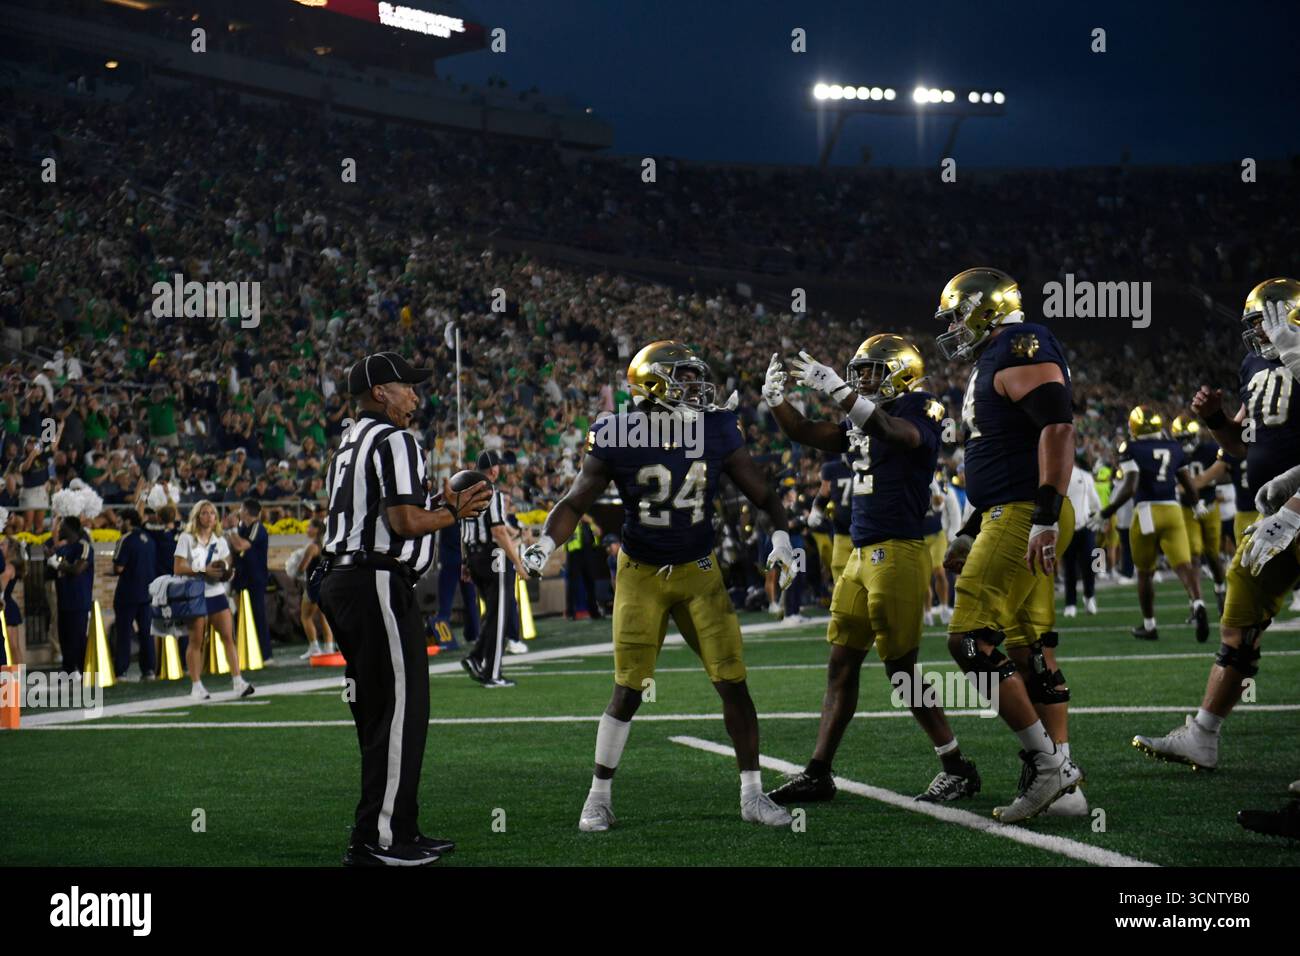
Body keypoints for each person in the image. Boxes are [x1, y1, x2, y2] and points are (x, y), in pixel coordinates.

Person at [522, 340, 799, 832]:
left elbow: (761, 492)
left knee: (732, 681)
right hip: (640, 574)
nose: (696, 387)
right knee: (628, 689)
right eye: (684, 378)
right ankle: (598, 797)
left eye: (695, 377)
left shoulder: (715, 427)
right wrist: (546, 544)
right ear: (654, 385)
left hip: (700, 571)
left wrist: (779, 534)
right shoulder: (617, 431)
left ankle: (752, 794)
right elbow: (575, 501)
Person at [761, 335, 980, 804]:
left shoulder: (925, 406)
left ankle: (956, 765)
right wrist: (777, 403)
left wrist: (843, 392)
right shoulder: (863, 412)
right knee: (841, 663)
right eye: (857, 372)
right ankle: (819, 772)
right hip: (859, 554)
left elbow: (895, 433)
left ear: (900, 371)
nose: (862, 379)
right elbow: (808, 432)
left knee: (900, 669)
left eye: (872, 371)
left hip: (899, 549)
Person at [318, 351, 491, 867]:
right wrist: (452, 511)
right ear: (379, 393)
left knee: (381, 713)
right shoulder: (394, 439)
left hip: (345, 579)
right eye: (405, 387)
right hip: (373, 581)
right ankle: (379, 840)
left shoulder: (349, 441)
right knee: (400, 713)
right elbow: (404, 522)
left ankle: (399, 827)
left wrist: (433, 510)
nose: (415, 396)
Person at [934, 267, 1084, 823]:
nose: (951, 327)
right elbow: (1008, 452)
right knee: (1027, 646)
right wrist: (972, 527)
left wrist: (1044, 513)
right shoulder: (995, 356)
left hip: (1024, 511)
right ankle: (1066, 787)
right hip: (1009, 509)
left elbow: (1057, 426)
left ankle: (1048, 767)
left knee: (969, 641)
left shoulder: (1022, 344)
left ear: (983, 310)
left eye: (955, 314)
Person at [1133, 278, 1300, 771]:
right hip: (1271, 514)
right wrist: (1215, 420)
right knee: (1239, 624)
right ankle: (1203, 735)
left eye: (1265, 322)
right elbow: (1242, 448)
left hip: (1293, 510)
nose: (1256, 333)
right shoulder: (1254, 366)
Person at [1094, 407, 1208, 641]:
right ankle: (1197, 603)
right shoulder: (1174, 447)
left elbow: (1130, 486)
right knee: (1184, 565)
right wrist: (1196, 505)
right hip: (1173, 510)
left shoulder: (1131, 447)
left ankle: (1149, 625)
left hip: (1146, 512)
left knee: (1145, 573)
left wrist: (1106, 512)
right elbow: (1187, 481)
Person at [460, 449, 529, 686]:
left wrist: (465, 561)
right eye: (498, 466)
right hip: (493, 557)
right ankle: (492, 672)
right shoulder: (491, 492)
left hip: (474, 556)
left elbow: (464, 532)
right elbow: (498, 531)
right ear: (493, 469)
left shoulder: (466, 492)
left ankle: (476, 657)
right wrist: (518, 564)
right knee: (500, 615)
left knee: (492, 613)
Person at [175, 499, 254, 700]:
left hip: (216, 592)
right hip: (195, 593)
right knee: (196, 641)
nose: (209, 516)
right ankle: (196, 685)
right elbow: (178, 568)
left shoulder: (219, 540)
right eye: (204, 513)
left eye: (212, 513)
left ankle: (238, 681)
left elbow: (227, 564)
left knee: (229, 637)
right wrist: (203, 570)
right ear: (196, 516)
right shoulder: (186, 538)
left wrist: (228, 573)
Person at [111, 508, 157, 680]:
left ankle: (121, 670)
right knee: (146, 632)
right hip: (147, 593)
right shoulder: (149, 539)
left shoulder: (126, 539)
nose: (118, 525)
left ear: (128, 521)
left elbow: (118, 567)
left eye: (120, 521)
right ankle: (149, 669)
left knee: (124, 633)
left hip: (128, 594)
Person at [227, 498, 271, 662]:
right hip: (242, 577)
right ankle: (245, 652)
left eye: (241, 509)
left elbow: (241, 546)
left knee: (258, 615)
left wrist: (231, 530)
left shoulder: (257, 528)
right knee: (241, 615)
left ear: (246, 511)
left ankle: (265, 654)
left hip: (255, 578)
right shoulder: (242, 527)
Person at [49, 515, 93, 674]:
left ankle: (84, 673)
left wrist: (58, 565)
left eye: (62, 527)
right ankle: (68, 673)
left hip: (78, 602)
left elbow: (78, 569)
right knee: (65, 640)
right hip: (64, 601)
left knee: (79, 640)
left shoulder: (84, 546)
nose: (59, 529)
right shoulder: (63, 549)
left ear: (71, 529)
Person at [1062, 455, 1102, 617]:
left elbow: (1095, 502)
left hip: (1085, 527)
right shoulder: (1057, 478)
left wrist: (1098, 520)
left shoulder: (1085, 477)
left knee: (1089, 564)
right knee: (1069, 567)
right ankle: (1070, 603)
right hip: (1066, 528)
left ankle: (1089, 596)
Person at [294, 518, 335, 659]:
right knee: (324, 617)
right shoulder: (327, 544)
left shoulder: (312, 547)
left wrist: (295, 571)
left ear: (317, 530)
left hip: (314, 585)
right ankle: (329, 647)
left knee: (306, 616)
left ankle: (314, 647)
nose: (307, 530)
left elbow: (302, 567)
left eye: (310, 527)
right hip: (326, 584)